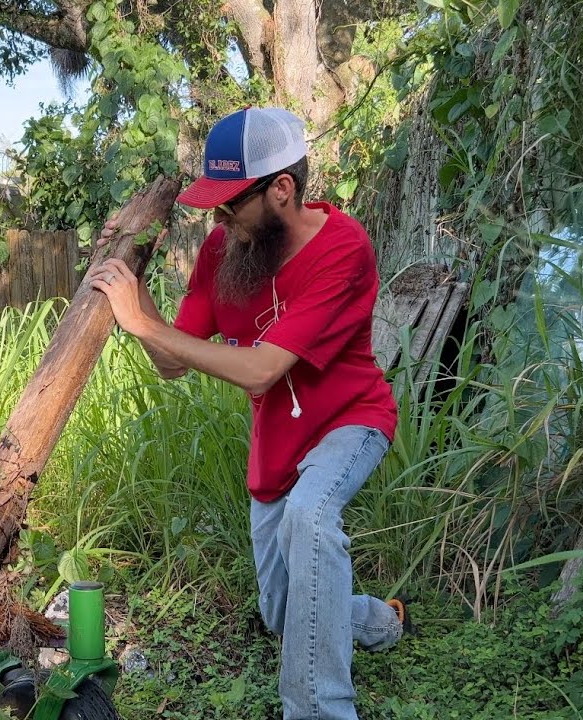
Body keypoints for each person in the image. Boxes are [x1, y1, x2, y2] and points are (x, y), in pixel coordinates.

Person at [90, 106, 409, 720]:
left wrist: (138, 321)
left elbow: (263, 368)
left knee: (312, 516)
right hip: (278, 443)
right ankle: (379, 619)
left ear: (281, 189)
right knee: (284, 612)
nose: (219, 217)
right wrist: (136, 289)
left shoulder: (344, 250)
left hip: (351, 420)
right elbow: (173, 360)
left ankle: (321, 711)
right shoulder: (224, 250)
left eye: (231, 202)